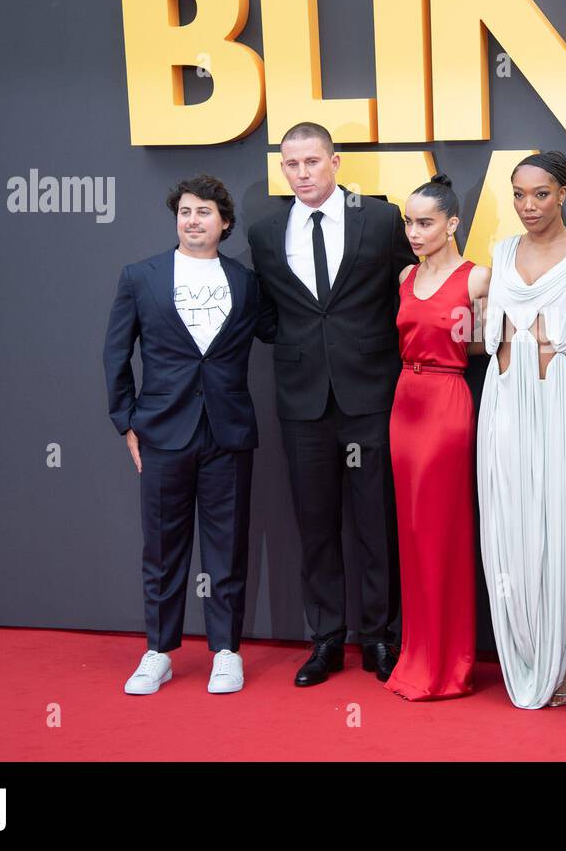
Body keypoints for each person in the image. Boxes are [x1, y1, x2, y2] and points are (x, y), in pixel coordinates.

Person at [247, 122, 418, 687]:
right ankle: (325, 640)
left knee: (376, 522)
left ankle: (379, 638)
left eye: (312, 162)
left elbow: (409, 291)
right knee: (314, 524)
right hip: (302, 401)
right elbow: (270, 314)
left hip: (370, 392)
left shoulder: (383, 218)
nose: (301, 174)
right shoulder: (267, 232)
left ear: (336, 161)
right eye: (290, 164)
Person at [103, 174, 274, 695]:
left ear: (224, 222)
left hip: (227, 434)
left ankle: (226, 651)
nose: (193, 220)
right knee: (161, 547)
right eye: (185, 212)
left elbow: (283, 333)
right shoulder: (141, 277)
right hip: (161, 432)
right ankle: (158, 651)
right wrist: (126, 421)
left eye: (204, 212)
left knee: (227, 547)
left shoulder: (246, 283)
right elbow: (116, 354)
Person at [477, 151, 566, 709]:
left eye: (539, 193)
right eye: (518, 194)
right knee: (513, 531)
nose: (527, 205)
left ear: (562, 193)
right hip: (505, 404)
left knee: (564, 531)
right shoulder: (499, 252)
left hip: (563, 404)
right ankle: (527, 650)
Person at [383, 174, 490, 701]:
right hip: (404, 405)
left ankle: (450, 664)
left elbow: (488, 345)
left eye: (425, 222)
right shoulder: (405, 274)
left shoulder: (477, 279)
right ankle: (418, 655)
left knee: (443, 531)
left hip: (448, 406)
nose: (414, 231)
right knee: (412, 532)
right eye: (409, 222)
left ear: (452, 224)